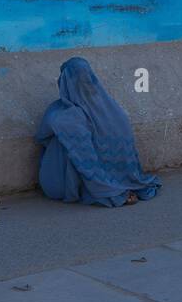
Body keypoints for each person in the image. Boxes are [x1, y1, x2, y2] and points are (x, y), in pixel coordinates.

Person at [35, 57, 161, 207]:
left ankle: (105, 190)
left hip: (65, 184)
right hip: (124, 174)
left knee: (62, 139)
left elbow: (42, 136)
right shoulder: (112, 109)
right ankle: (117, 186)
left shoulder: (64, 114)